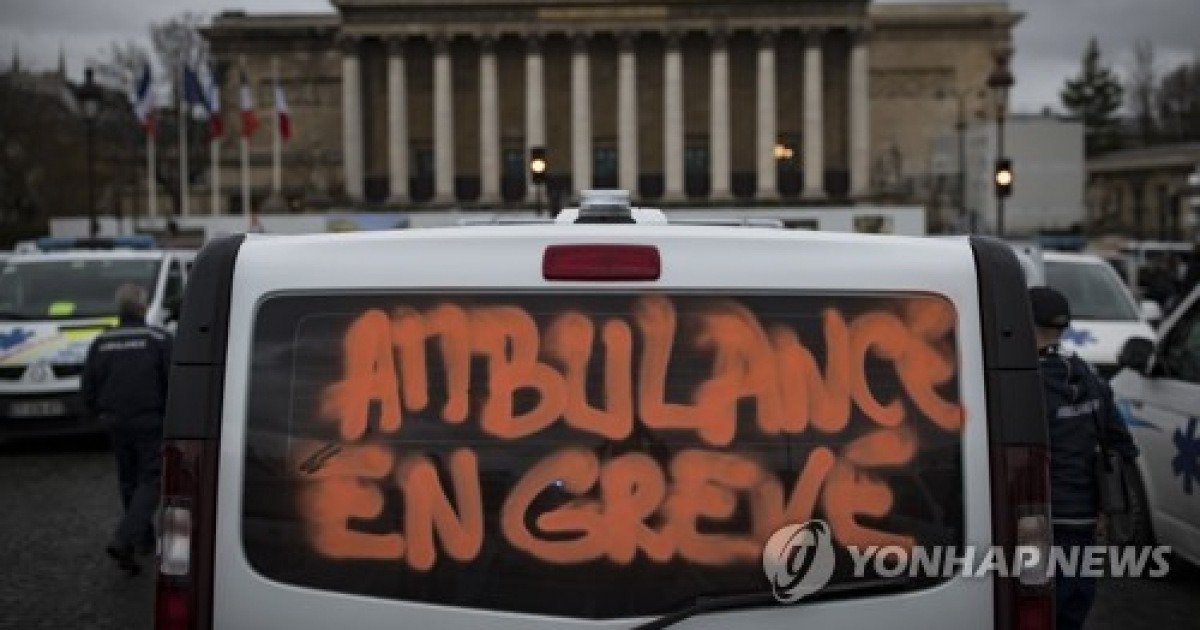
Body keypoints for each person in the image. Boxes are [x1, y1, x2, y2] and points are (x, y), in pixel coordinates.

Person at [1029, 286, 1139, 630]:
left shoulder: (1023, 384)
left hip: (1041, 517)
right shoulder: (1089, 376)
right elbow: (1123, 445)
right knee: (1077, 598)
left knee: (1040, 603)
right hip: (1086, 515)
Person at [81, 283, 173, 575]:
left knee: (129, 481)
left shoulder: (101, 342)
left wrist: (99, 412)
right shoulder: (159, 339)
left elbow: (88, 385)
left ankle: (142, 539)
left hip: (115, 422)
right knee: (152, 479)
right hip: (150, 420)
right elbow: (172, 381)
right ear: (144, 308)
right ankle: (124, 539)